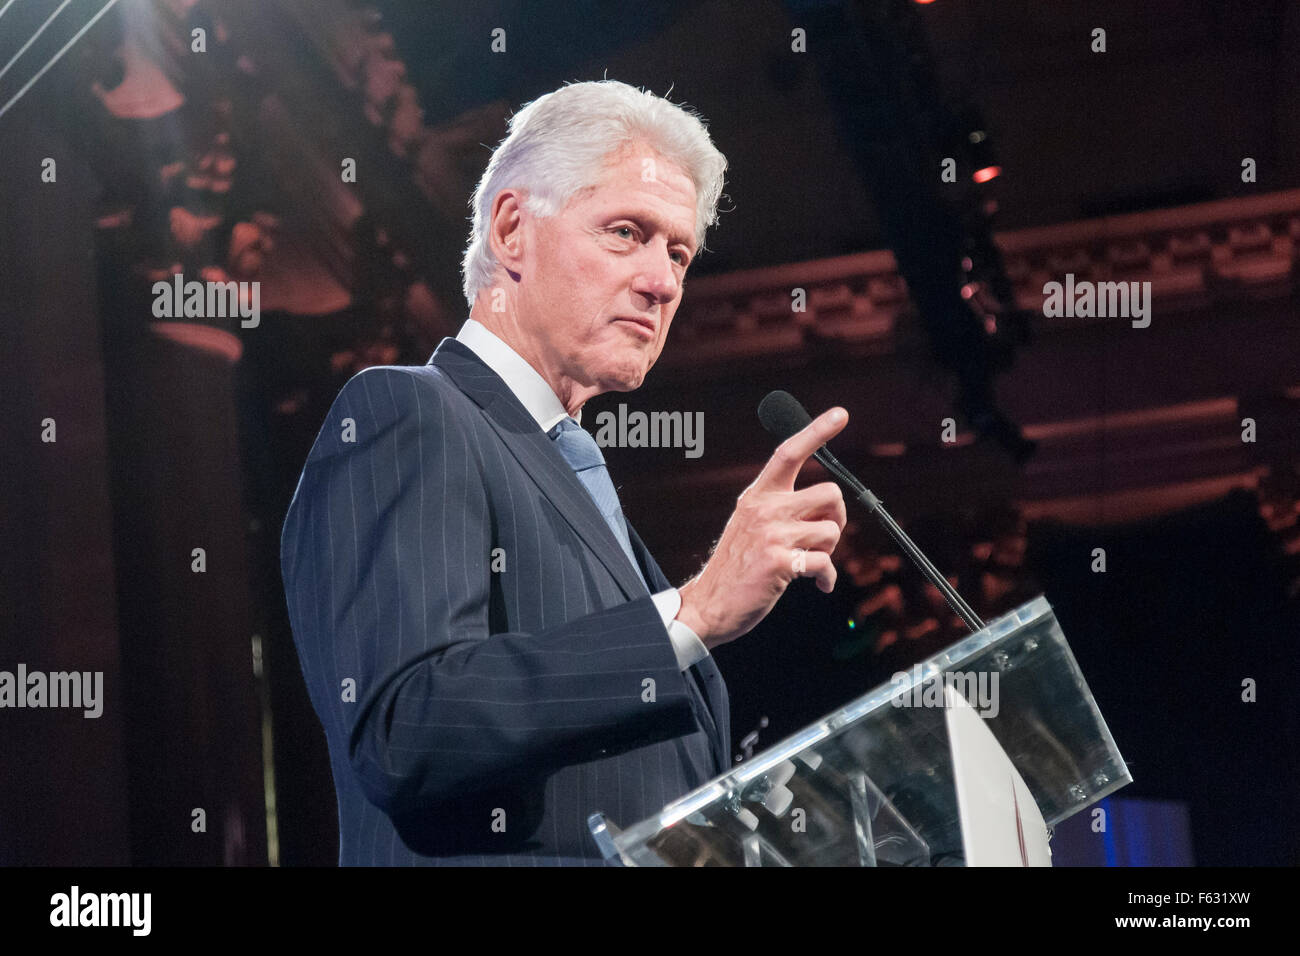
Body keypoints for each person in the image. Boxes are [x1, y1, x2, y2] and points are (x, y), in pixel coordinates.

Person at [280, 79, 847, 865]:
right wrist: (693, 611)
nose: (663, 281)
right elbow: (407, 728)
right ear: (513, 230)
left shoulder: (578, 481)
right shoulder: (408, 415)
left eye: (678, 251)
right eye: (626, 232)